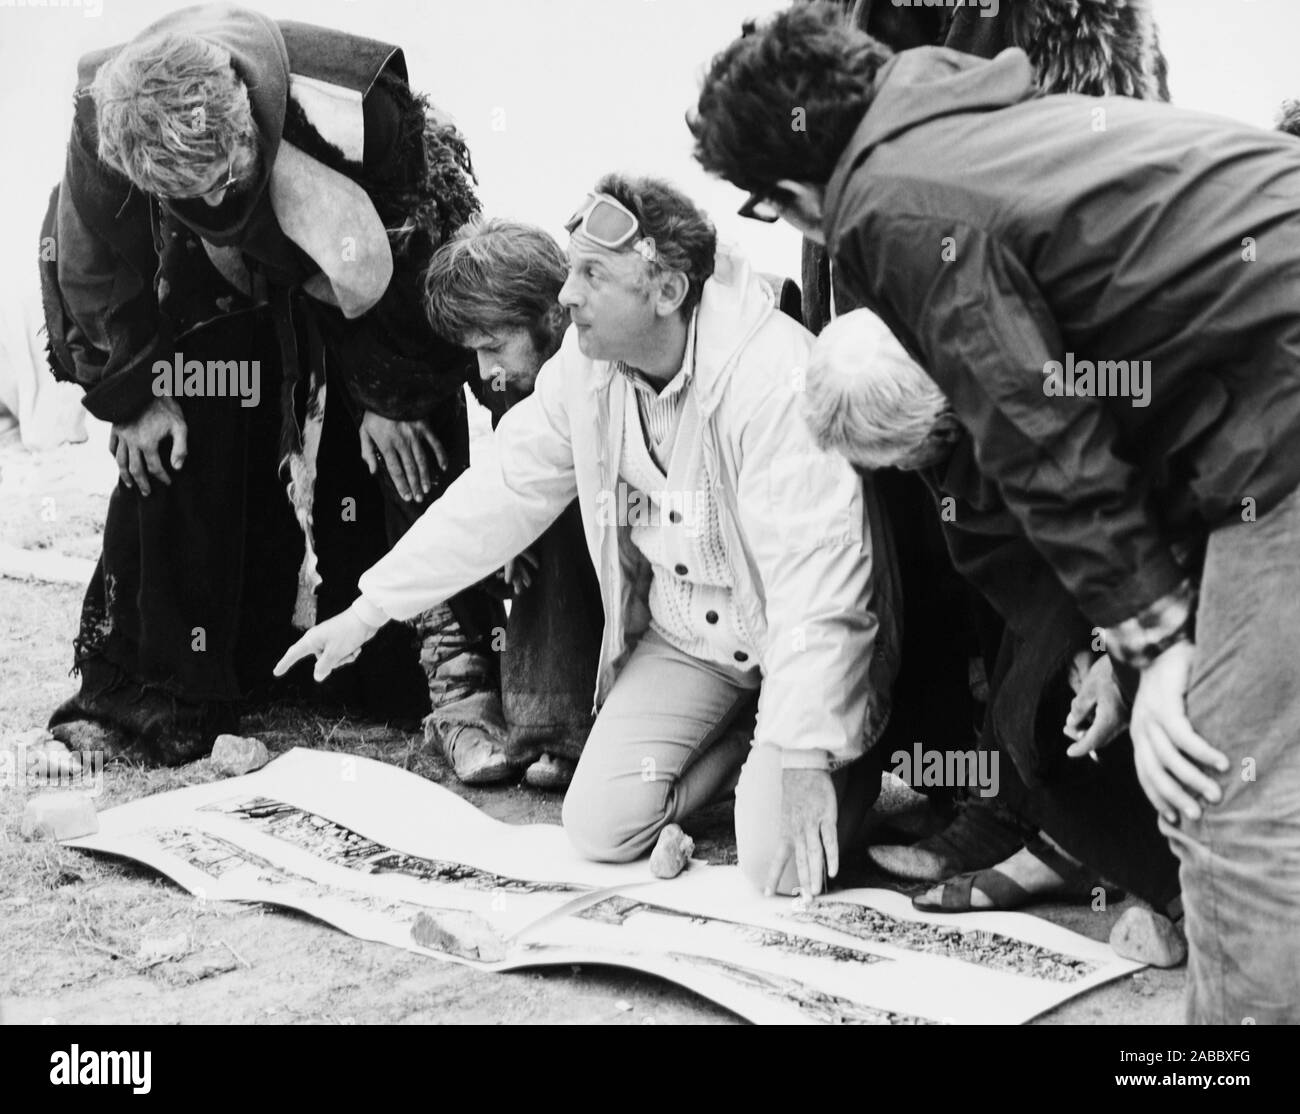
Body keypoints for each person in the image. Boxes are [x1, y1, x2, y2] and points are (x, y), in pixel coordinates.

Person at [690, 2, 1300, 1022]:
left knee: (1220, 799)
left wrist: (1153, 648)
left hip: (1277, 419)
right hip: (1260, 398)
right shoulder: (980, 116)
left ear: (791, 194)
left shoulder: (892, 204)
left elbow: (1040, 431)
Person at [276, 174, 901, 898]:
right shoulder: (586, 362)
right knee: (599, 828)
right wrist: (367, 609)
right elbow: (500, 491)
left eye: (592, 274)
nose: (565, 295)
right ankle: (742, 750)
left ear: (665, 292)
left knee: (780, 869)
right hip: (692, 645)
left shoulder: (772, 376)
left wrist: (802, 758)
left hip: (798, 639)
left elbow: (819, 579)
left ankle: (837, 748)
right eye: (572, 269)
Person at [40, 4, 503, 767]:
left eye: (231, 175)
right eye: (207, 187)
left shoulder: (357, 110)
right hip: (189, 253)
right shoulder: (103, 119)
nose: (225, 194)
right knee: (187, 409)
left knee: (401, 444)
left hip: (364, 259)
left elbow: (418, 249)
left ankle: (422, 670)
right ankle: (159, 686)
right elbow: (89, 261)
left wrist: (388, 392)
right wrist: (129, 395)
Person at [803, 311, 1184, 965]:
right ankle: (1032, 830)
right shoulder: (945, 426)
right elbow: (1006, 567)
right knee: (1025, 695)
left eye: (895, 455)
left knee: (1044, 715)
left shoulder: (1040, 415)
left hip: (1159, 566)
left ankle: (1138, 873)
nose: (892, 471)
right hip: (1070, 583)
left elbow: (1134, 526)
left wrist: (1109, 647)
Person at [421, 218, 604, 790]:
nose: (484, 371)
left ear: (552, 318)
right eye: (474, 351)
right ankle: (547, 725)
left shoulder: (600, 358)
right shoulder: (513, 384)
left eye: (495, 346)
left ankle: (571, 729)